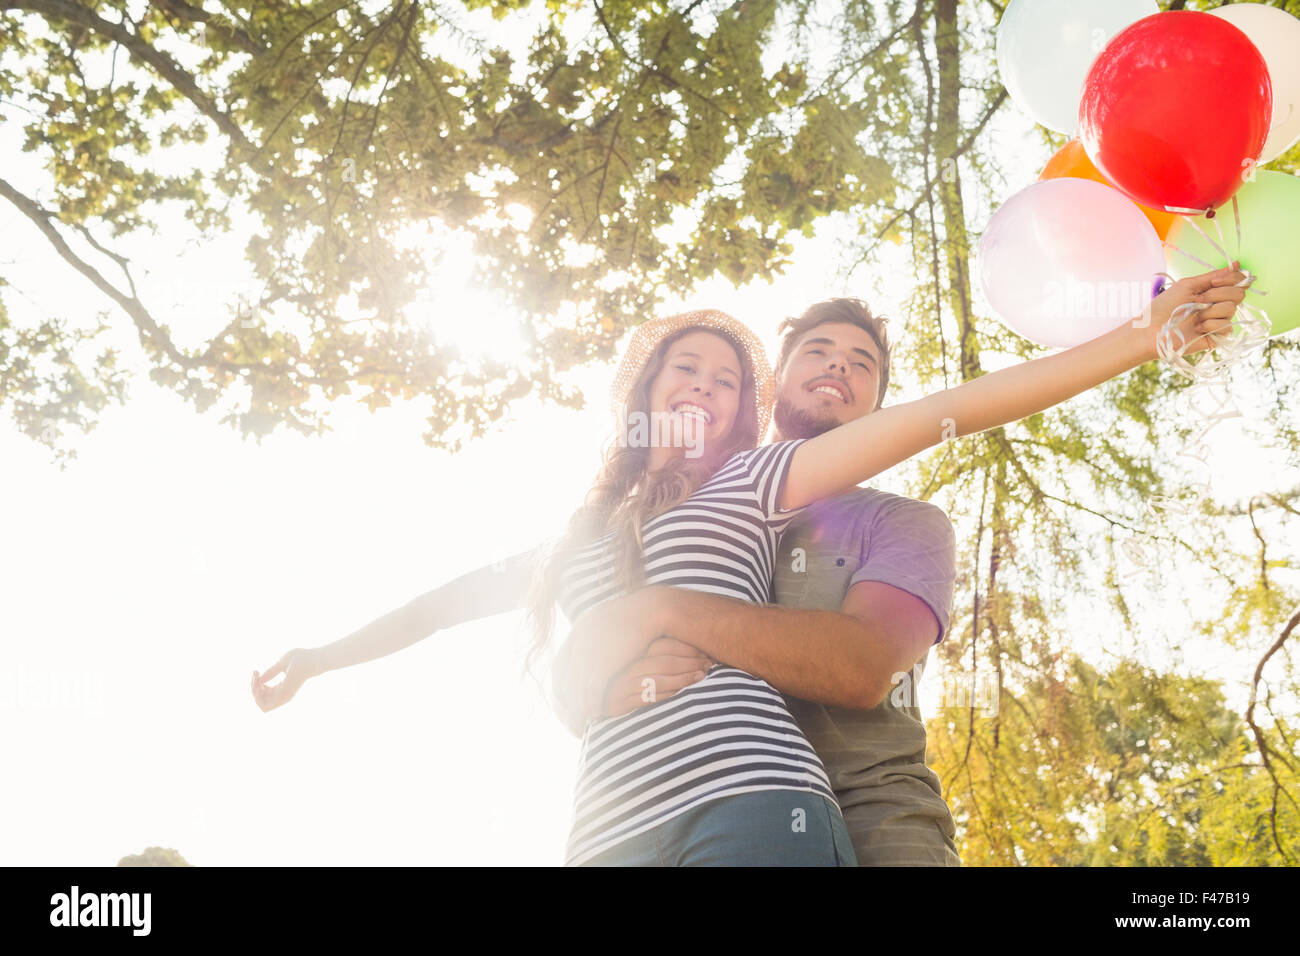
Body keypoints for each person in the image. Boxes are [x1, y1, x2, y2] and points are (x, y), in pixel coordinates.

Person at [252, 265, 1249, 865]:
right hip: (606, 815)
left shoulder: (760, 480)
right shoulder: (575, 532)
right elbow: (439, 603)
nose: (704, 383)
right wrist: (318, 653)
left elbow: (961, 406)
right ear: (642, 386)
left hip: (751, 790)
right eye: (685, 365)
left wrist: (1140, 333)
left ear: (744, 412)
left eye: (725, 379)